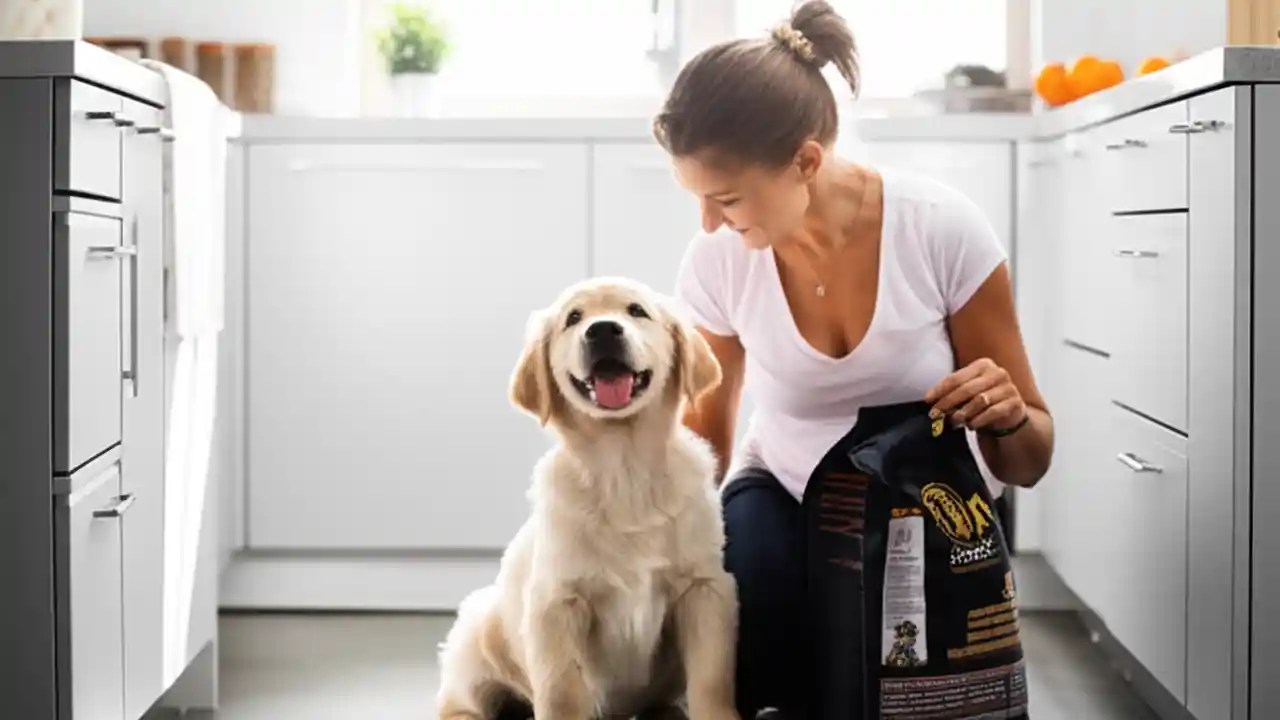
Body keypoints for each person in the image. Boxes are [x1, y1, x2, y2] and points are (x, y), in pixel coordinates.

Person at [651, 1, 1054, 718]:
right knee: (754, 602)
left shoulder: (941, 230)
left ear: (806, 160)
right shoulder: (717, 261)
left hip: (920, 504)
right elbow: (704, 440)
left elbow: (1030, 460)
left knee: (885, 645)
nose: (709, 223)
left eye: (727, 198)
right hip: (785, 483)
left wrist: (1008, 414)